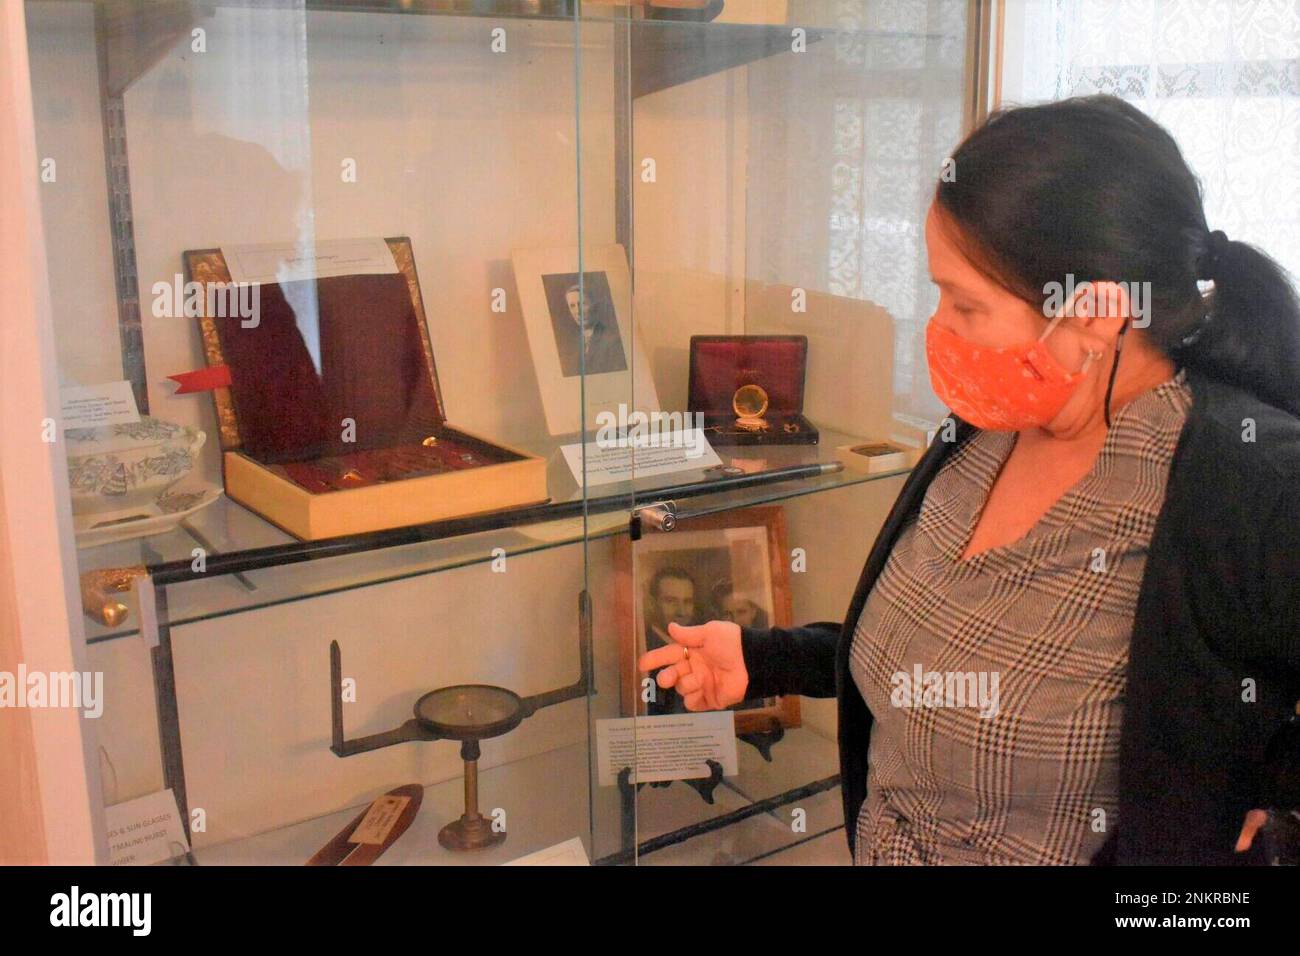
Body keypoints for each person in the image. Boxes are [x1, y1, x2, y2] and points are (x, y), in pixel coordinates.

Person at [640, 95, 1300, 866]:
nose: (941, 330)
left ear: (1097, 315)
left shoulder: (1247, 485)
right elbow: (951, 649)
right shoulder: (984, 433)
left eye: (968, 304)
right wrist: (768, 657)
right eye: (938, 294)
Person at [643, 566, 699, 715]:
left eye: (687, 602)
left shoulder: (699, 646)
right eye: (670, 601)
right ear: (652, 603)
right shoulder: (643, 648)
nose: (681, 611)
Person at [555, 282, 627, 377]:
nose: (578, 311)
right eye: (572, 306)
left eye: (583, 304)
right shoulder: (570, 344)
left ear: (594, 305)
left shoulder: (612, 341)